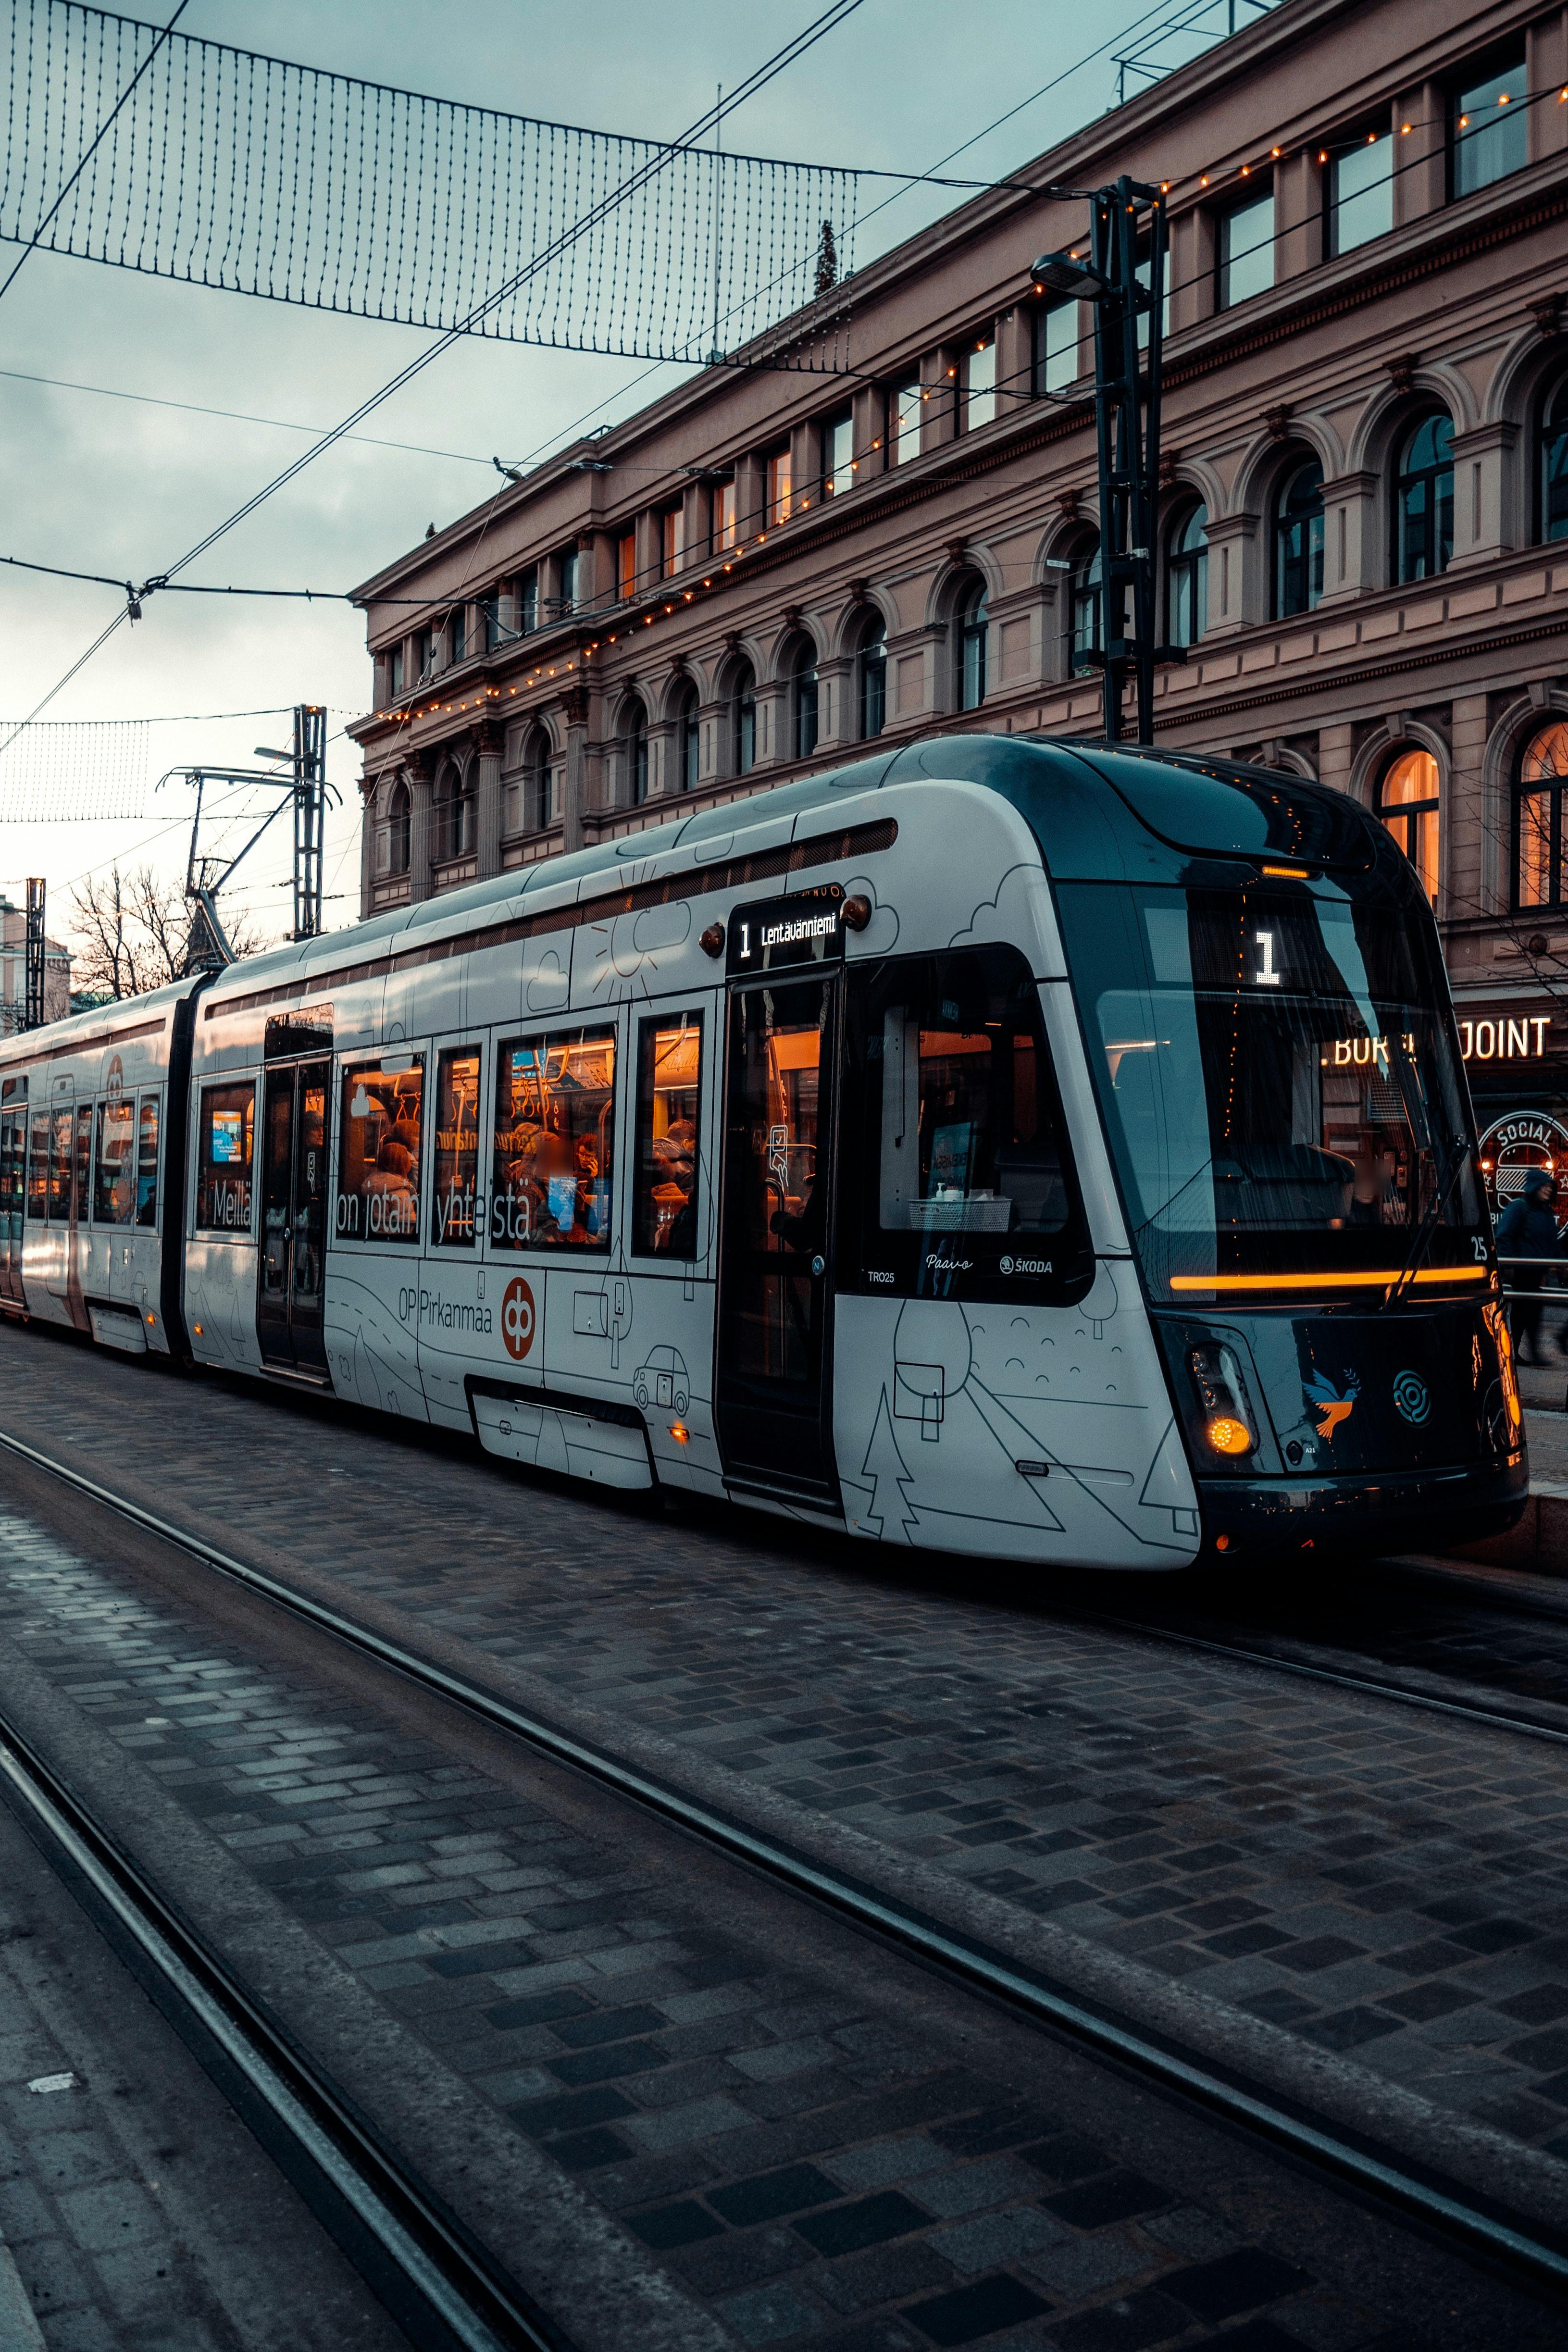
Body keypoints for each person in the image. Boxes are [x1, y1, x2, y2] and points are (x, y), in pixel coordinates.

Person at [1496, 1171, 1566, 1362]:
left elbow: (1552, 1243)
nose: (1547, 1191)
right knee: (1521, 1312)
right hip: (1521, 1270)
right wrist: (1509, 1264)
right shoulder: (1519, 1208)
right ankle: (1514, 1352)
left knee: (1532, 1311)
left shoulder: (1546, 1213)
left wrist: (1561, 1263)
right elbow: (1504, 1236)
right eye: (1544, 1187)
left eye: (1550, 1188)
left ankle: (1524, 1352)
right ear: (1534, 1187)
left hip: (1536, 1272)